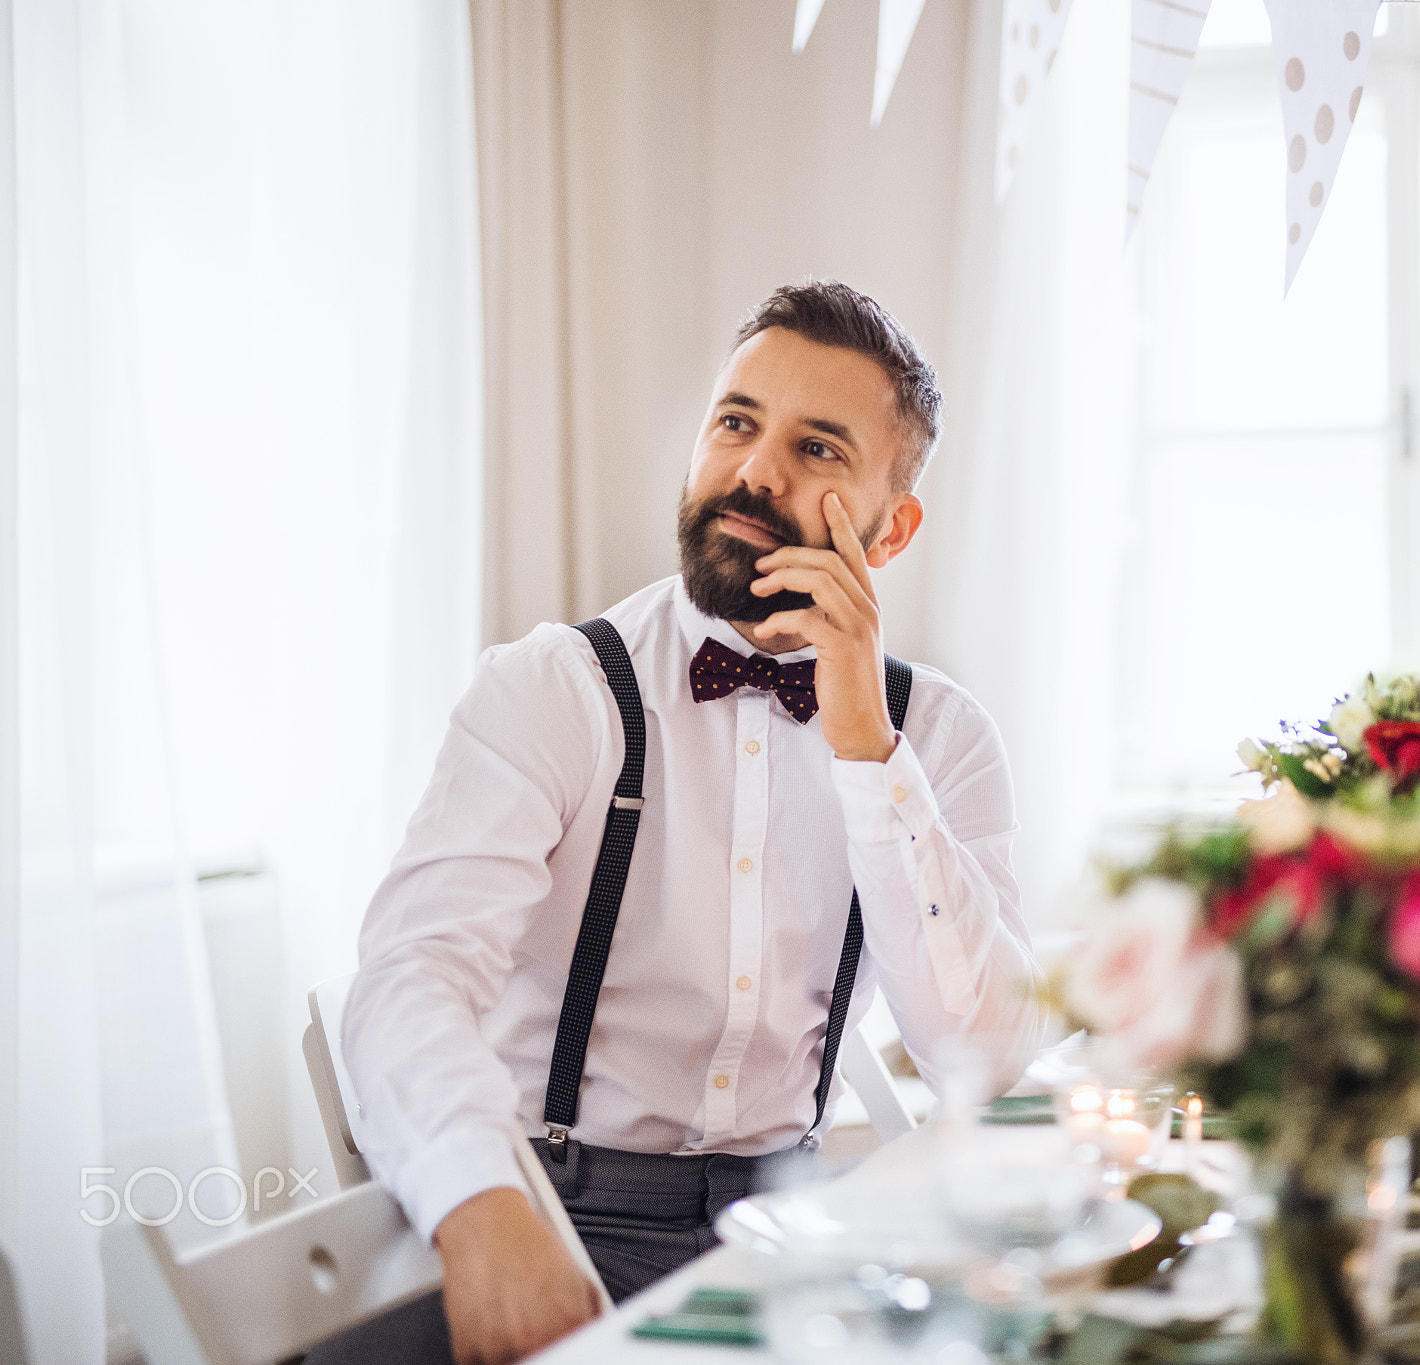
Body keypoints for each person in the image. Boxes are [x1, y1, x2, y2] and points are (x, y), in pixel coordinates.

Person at [328, 281, 1045, 1364]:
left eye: (817, 450)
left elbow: (979, 1054)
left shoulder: (943, 738)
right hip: (550, 1208)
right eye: (736, 422)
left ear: (891, 529)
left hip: (795, 1238)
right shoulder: (549, 691)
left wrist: (865, 744)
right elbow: (407, 977)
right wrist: (482, 1206)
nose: (756, 471)